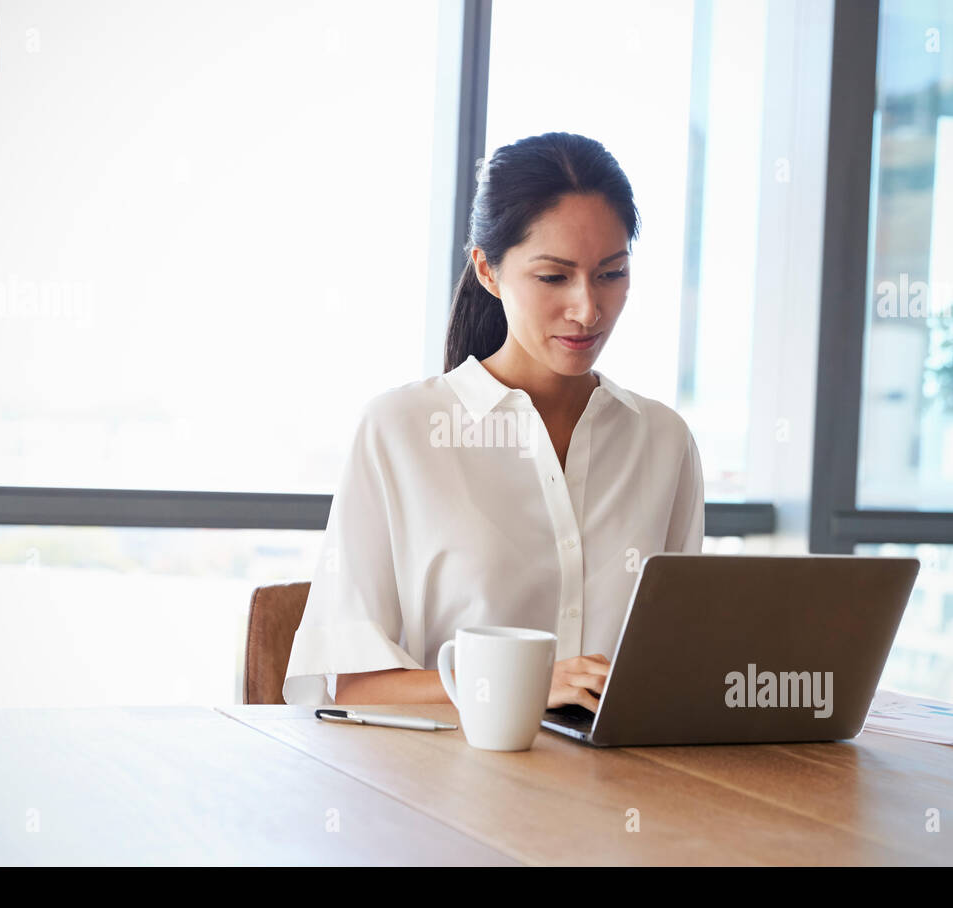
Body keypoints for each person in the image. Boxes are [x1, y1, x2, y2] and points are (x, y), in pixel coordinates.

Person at [282, 131, 705, 712]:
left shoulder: (663, 441)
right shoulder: (401, 430)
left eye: (611, 273)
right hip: (453, 793)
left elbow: (680, 661)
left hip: (625, 792)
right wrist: (530, 683)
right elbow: (356, 687)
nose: (587, 309)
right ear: (487, 270)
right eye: (554, 277)